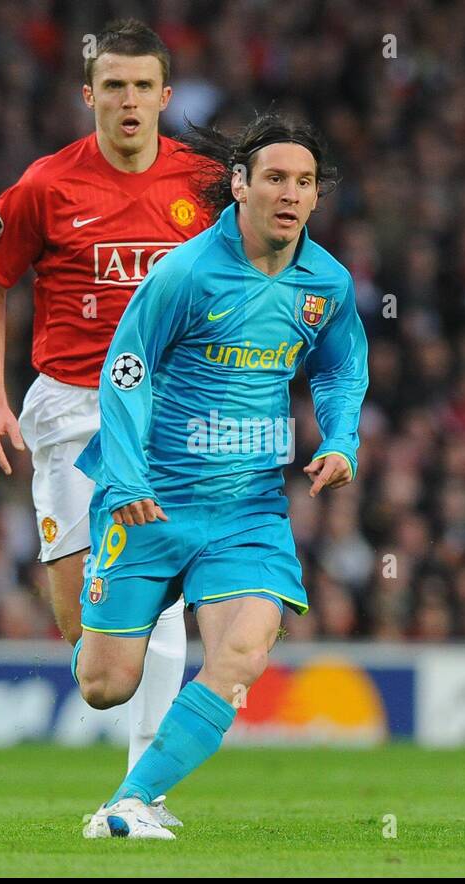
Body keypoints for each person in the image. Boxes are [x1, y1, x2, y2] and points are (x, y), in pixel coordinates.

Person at [73, 114, 369, 838]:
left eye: (304, 182)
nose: (289, 193)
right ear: (239, 185)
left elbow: (339, 365)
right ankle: (93, 620)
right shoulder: (186, 272)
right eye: (274, 177)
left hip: (248, 511)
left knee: (242, 654)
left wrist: (341, 437)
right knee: (105, 685)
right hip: (152, 499)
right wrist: (127, 475)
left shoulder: (326, 282)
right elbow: (126, 370)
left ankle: (131, 800)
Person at [0, 19, 209, 827]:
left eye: (144, 86)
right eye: (115, 86)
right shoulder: (44, 186)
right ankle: (113, 666)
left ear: (165, 96)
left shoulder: (208, 187)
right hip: (69, 409)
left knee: (162, 595)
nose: (130, 100)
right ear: (90, 95)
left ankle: (140, 795)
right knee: (96, 656)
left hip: (168, 412)